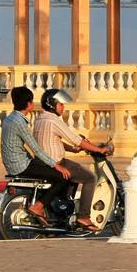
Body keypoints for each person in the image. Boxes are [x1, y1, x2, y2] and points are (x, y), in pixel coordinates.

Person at [33, 89, 111, 231]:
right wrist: (99, 150)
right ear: (52, 105)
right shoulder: (53, 120)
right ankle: (84, 217)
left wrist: (73, 149)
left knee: (74, 175)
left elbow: (50, 141)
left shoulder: (40, 119)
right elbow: (77, 140)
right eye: (60, 104)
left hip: (42, 163)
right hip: (57, 162)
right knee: (89, 178)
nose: (63, 107)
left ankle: (62, 212)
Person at [0, 85, 70, 226]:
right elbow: (36, 148)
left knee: (46, 172)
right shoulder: (20, 122)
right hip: (21, 166)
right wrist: (56, 165)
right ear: (29, 104)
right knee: (63, 177)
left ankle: (44, 208)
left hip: (12, 163)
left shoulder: (9, 119)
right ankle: (38, 207)